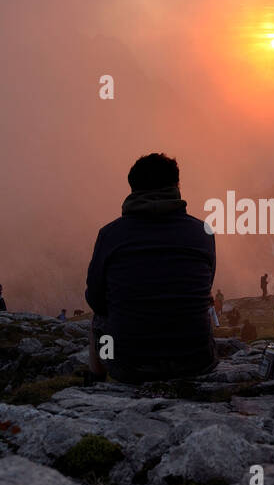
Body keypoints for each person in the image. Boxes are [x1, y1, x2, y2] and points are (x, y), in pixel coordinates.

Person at [85, 153, 218, 384]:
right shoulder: (202, 232)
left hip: (129, 367)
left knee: (99, 318)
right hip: (197, 363)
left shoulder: (110, 235)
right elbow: (206, 289)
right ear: (177, 185)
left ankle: (96, 379)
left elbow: (96, 300)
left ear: (132, 188)